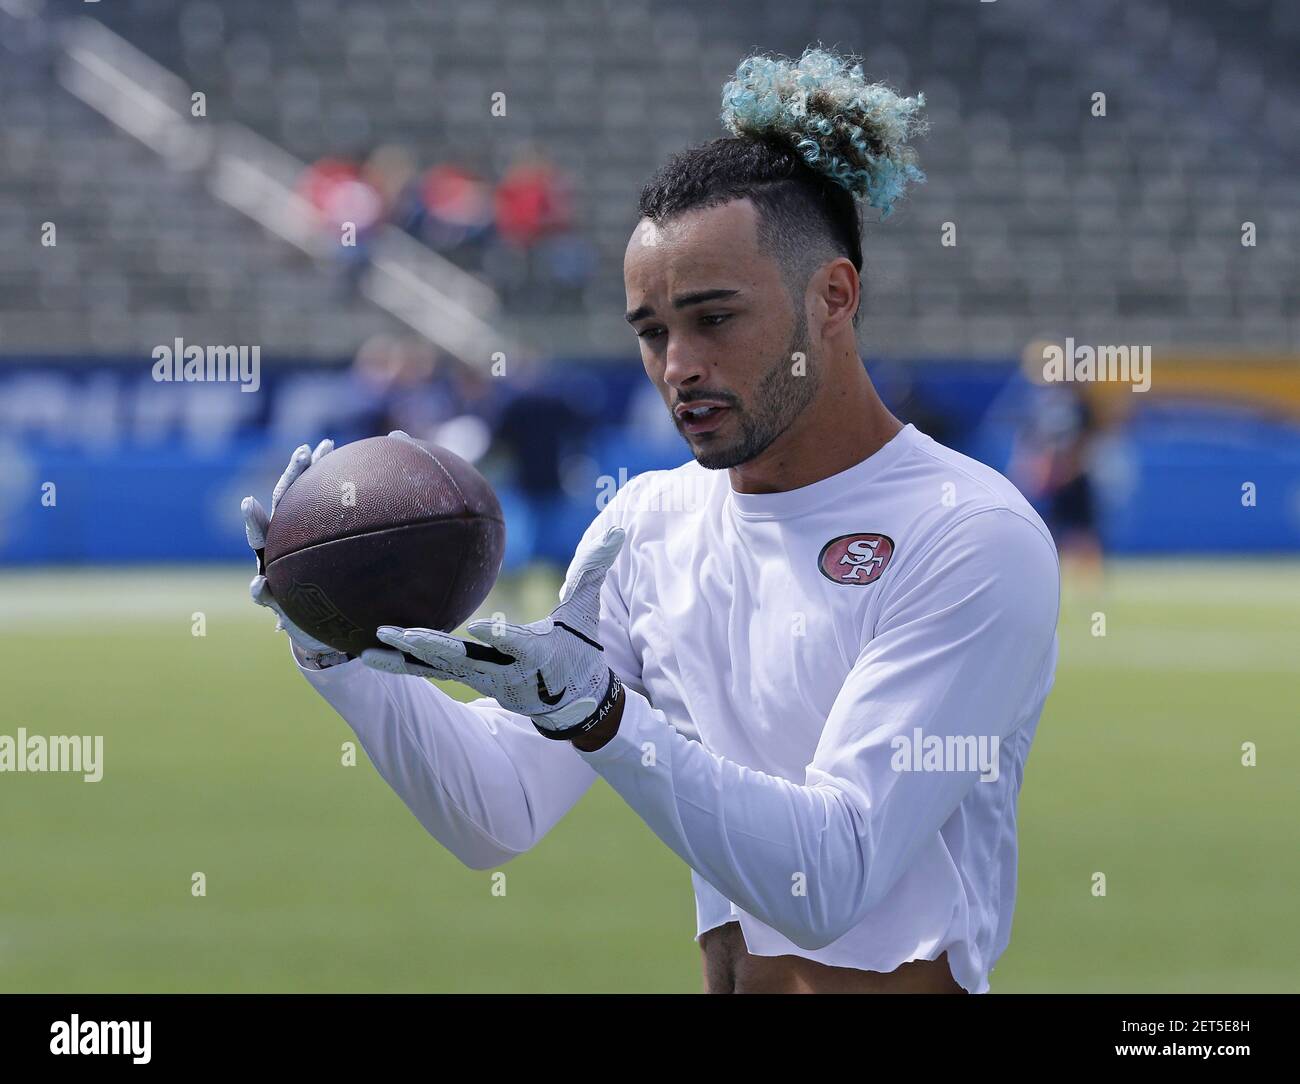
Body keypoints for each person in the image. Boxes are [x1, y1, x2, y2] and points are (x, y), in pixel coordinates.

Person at [244, 47, 1059, 994]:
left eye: (715, 319)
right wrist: (334, 648)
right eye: (652, 331)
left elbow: (831, 874)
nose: (678, 365)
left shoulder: (970, 535)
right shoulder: (648, 525)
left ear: (833, 297)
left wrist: (599, 715)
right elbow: (496, 809)